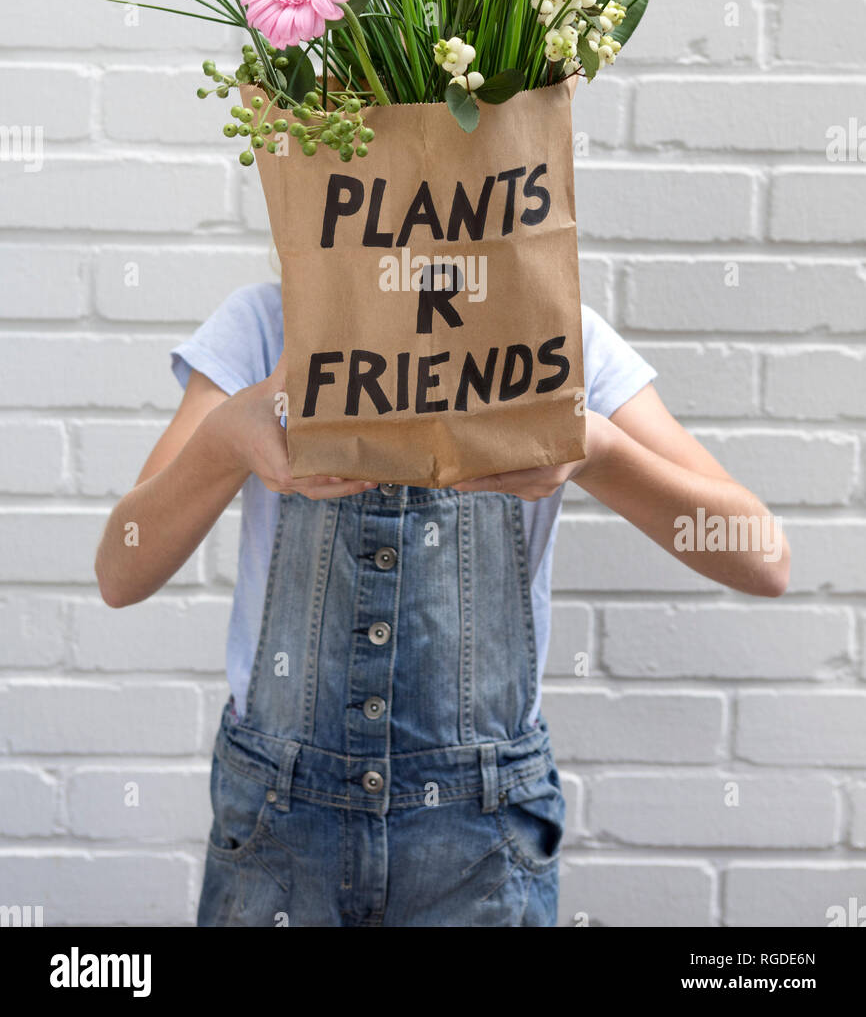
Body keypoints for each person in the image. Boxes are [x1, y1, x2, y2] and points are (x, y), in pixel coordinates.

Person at [95, 281, 789, 927]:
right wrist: (223, 441)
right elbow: (121, 572)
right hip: (281, 835)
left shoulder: (560, 341)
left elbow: (764, 559)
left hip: (480, 846)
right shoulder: (261, 330)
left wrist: (597, 448)